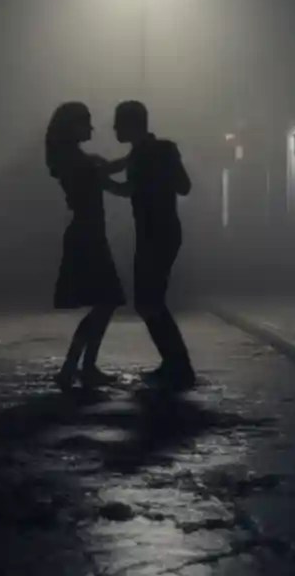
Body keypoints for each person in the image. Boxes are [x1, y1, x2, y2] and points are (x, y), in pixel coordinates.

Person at [104, 100, 196, 390]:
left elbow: (128, 189)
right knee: (150, 300)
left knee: (148, 301)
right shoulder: (157, 150)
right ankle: (175, 364)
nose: (114, 128)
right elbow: (184, 186)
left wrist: (100, 182)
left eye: (118, 123)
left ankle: (179, 366)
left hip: (156, 233)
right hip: (163, 231)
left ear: (132, 124)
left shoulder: (148, 154)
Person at [45, 102, 127, 391]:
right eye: (86, 122)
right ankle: (79, 367)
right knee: (106, 302)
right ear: (72, 126)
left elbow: (114, 184)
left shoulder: (76, 159)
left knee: (105, 303)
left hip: (88, 234)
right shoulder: (77, 161)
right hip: (87, 236)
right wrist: (139, 155)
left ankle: (77, 367)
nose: (91, 128)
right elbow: (109, 176)